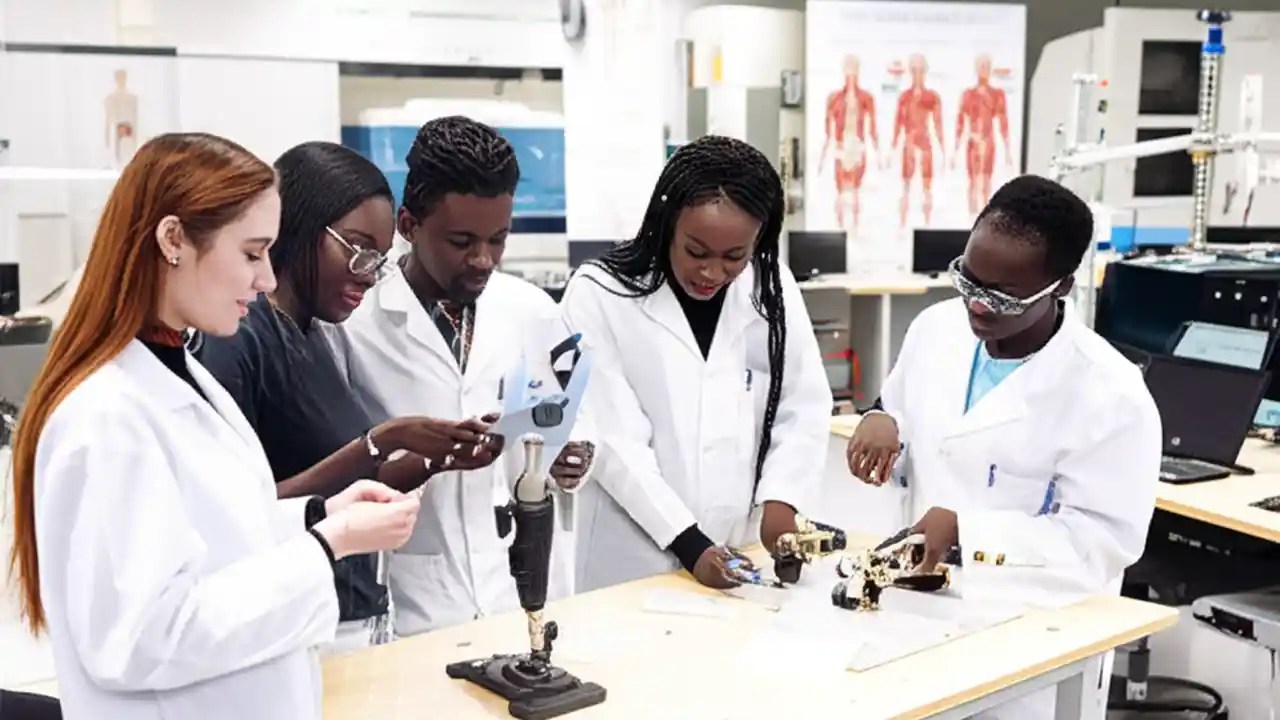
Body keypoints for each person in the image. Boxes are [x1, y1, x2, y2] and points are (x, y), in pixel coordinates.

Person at [7, 132, 420, 720]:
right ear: (173, 239)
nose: (267, 280)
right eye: (252, 254)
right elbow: (144, 637)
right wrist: (327, 546)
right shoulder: (105, 416)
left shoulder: (183, 377)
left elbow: (214, 537)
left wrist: (321, 514)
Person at [846, 175, 1160, 718]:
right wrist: (879, 415)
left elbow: (1102, 543)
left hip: (1033, 638)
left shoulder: (1110, 395)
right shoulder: (936, 328)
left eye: (1003, 295)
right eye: (968, 279)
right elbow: (903, 406)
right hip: (913, 615)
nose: (978, 305)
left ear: (1061, 286)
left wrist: (965, 534)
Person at [193, 141, 500, 653]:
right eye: (357, 249)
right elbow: (235, 515)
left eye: (378, 258)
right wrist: (379, 440)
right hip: (293, 625)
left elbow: (346, 482)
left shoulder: (318, 334)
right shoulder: (242, 341)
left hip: (352, 612)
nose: (368, 272)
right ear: (300, 228)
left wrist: (434, 456)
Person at [326, 115, 595, 637]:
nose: (483, 259)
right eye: (461, 240)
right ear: (408, 225)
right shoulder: (355, 324)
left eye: (498, 239)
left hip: (512, 587)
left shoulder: (530, 310)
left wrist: (574, 455)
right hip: (409, 599)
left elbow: (570, 416)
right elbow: (341, 462)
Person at [561, 135, 833, 592]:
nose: (711, 273)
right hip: (635, 560)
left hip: (740, 552)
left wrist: (781, 503)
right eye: (696, 251)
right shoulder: (598, 293)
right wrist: (690, 544)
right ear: (666, 224)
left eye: (734, 257)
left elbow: (802, 403)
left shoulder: (771, 288)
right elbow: (615, 441)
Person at [820, 55, 882, 233]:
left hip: (857, 145)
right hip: (841, 145)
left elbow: (872, 129)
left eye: (854, 68)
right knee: (841, 191)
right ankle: (840, 229)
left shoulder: (866, 98)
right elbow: (828, 131)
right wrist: (823, 156)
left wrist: (878, 154)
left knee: (854, 191)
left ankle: (854, 227)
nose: (851, 73)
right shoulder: (835, 98)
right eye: (848, 68)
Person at [954, 54, 1011, 217]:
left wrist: (1007, 150)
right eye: (981, 66)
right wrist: (956, 148)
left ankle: (983, 217)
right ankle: (970, 217)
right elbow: (961, 121)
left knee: (986, 179)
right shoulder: (968, 94)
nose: (983, 70)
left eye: (986, 66)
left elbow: (1003, 122)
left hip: (988, 139)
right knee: (972, 180)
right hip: (973, 139)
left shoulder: (996, 94)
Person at [892, 53, 944, 228]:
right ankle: (902, 224)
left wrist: (943, 149)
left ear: (925, 71)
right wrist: (892, 148)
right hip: (909, 144)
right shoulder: (904, 97)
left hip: (924, 143)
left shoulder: (931, 97)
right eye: (914, 70)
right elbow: (898, 124)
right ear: (910, 72)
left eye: (921, 70)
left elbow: (938, 125)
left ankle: (927, 226)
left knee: (926, 187)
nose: (917, 74)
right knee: (906, 187)